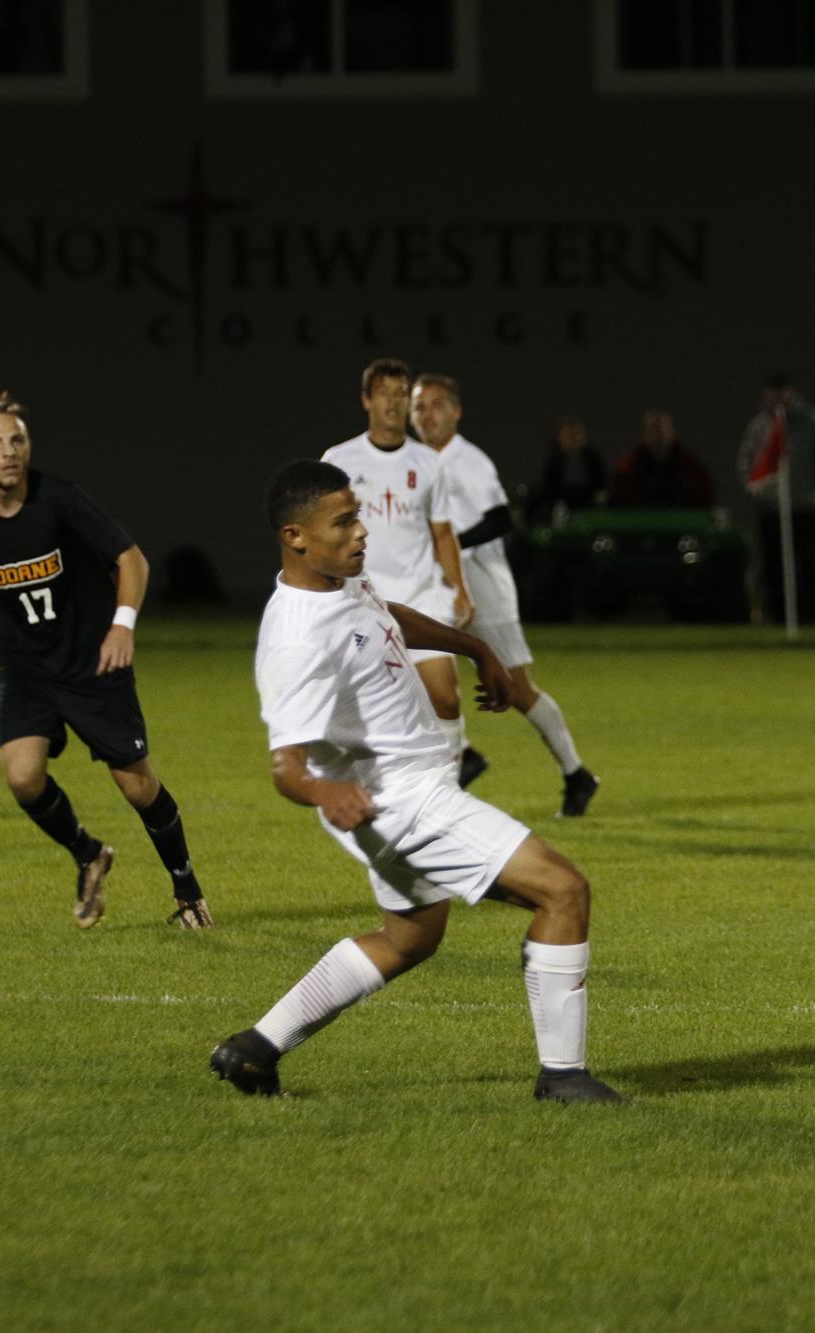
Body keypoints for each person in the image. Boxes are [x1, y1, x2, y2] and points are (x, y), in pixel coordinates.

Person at [210, 459, 622, 1104]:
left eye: (357, 516)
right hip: (402, 801)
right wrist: (325, 791)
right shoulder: (297, 638)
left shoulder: (339, 580)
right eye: (343, 522)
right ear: (295, 536)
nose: (361, 531)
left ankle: (255, 1049)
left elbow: (387, 615)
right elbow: (285, 768)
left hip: (403, 794)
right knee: (563, 891)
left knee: (408, 939)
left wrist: (475, 647)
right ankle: (563, 1078)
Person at [0, 391, 213, 928]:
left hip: (92, 665)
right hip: (25, 671)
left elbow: (131, 559)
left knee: (137, 786)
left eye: (17, 440)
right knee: (22, 778)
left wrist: (122, 625)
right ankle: (88, 853)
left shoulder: (59, 500)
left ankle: (188, 892)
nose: (8, 451)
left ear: (29, 445)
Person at [410, 373, 601, 816]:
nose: (427, 414)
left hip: (484, 586)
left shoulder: (467, 459)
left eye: (437, 405)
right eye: (419, 406)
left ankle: (576, 774)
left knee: (515, 689)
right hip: (439, 587)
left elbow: (500, 520)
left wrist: (447, 544)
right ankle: (462, 756)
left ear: (456, 412)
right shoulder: (416, 461)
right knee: (414, 669)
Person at [321, 358, 484, 786]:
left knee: (445, 698)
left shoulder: (428, 462)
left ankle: (447, 787)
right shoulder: (339, 459)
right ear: (366, 401)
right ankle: (372, 792)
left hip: (420, 594)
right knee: (367, 710)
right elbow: (323, 530)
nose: (393, 403)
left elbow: (442, 533)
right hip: (363, 600)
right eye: (383, 394)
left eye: (400, 394)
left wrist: (460, 589)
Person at [736, 374, 815, 625]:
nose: (777, 400)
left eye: (782, 393)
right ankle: (778, 614)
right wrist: (758, 490)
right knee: (774, 564)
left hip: (807, 506)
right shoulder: (759, 425)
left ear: (791, 393)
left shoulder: (813, 420)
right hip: (771, 507)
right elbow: (746, 462)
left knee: (811, 562)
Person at [611, 409, 715, 508]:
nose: (659, 436)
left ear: (672, 432)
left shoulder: (689, 465)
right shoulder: (629, 465)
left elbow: (704, 492)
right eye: (653, 430)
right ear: (644, 434)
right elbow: (619, 493)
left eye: (663, 430)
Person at [526, 414, 608, 524]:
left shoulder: (593, 458)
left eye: (577, 434)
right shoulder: (554, 460)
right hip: (561, 499)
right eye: (569, 435)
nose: (573, 439)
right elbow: (548, 485)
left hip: (587, 498)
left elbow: (601, 483)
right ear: (560, 438)